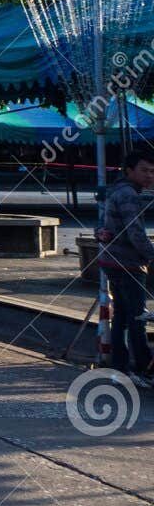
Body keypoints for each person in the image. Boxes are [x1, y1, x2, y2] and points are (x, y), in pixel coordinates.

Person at [97, 150, 154, 384]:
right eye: (144, 170)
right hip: (127, 263)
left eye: (152, 171)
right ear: (129, 171)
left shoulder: (117, 190)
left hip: (110, 260)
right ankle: (144, 367)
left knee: (121, 316)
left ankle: (120, 366)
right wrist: (152, 255)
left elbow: (104, 226)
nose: (149, 176)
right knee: (138, 317)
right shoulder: (129, 195)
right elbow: (135, 233)